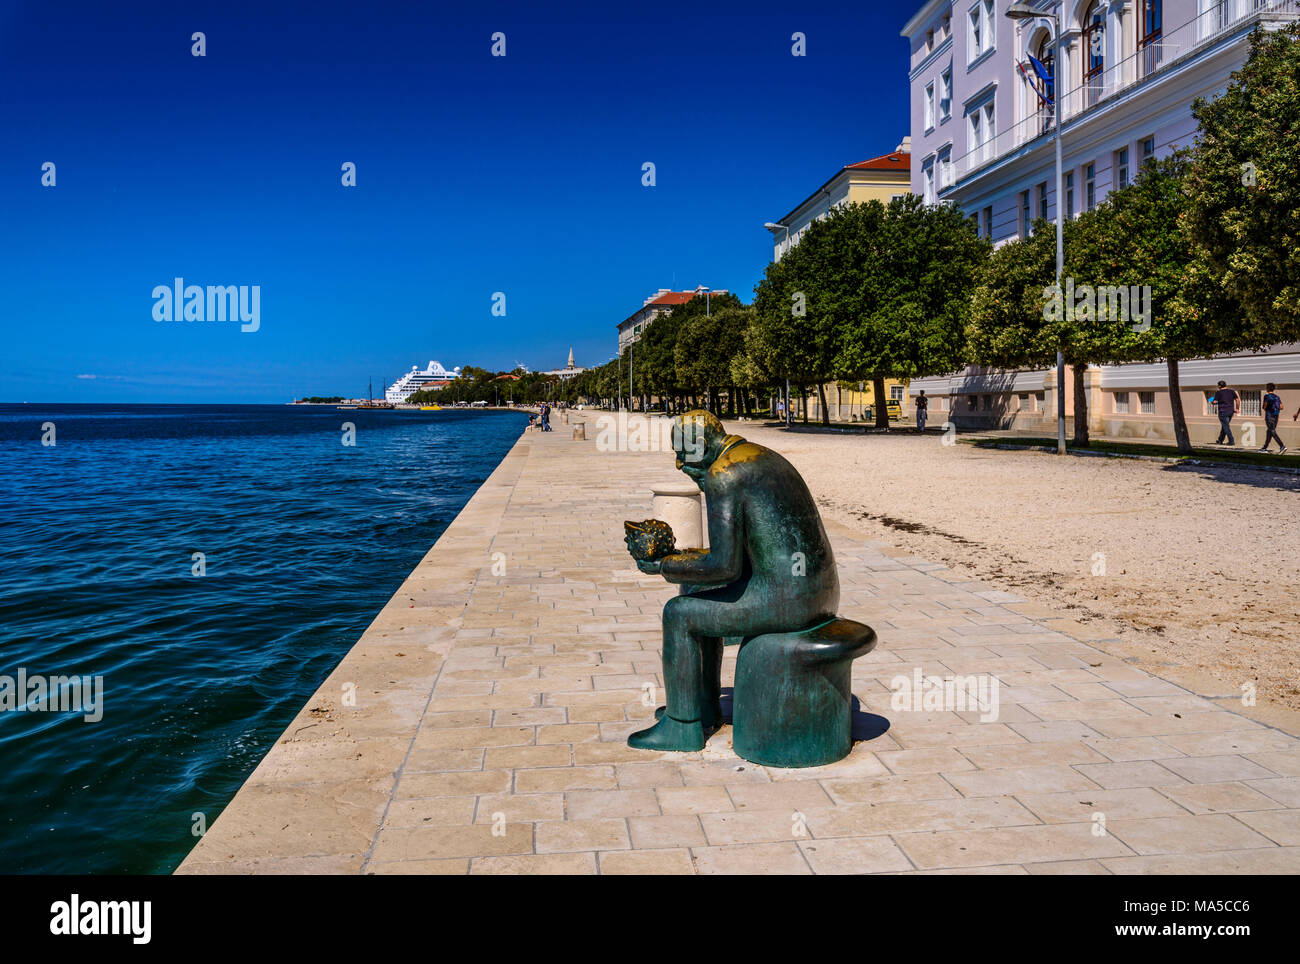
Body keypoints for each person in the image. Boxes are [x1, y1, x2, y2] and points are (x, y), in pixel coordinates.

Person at [624, 411, 839, 751]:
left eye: (682, 454)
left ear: (700, 447)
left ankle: (681, 728)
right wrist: (686, 561)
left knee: (678, 613)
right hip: (819, 592)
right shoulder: (757, 456)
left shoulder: (722, 475)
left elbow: (725, 567)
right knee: (695, 589)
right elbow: (737, 554)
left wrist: (664, 565)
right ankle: (701, 705)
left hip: (789, 600)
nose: (680, 465)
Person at [1261, 383, 1286, 454]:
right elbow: (1281, 407)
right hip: (1276, 416)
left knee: (1272, 431)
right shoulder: (1277, 397)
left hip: (1269, 416)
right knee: (1269, 431)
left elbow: (1264, 406)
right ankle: (1264, 448)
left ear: (1268, 388)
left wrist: (1264, 407)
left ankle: (1282, 446)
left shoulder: (1266, 396)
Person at [1212, 380, 1239, 445]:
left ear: (1219, 386)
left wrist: (1212, 402)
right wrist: (1237, 408)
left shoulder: (1219, 392)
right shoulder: (1232, 391)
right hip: (1230, 411)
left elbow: (1215, 401)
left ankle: (1231, 441)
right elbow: (1237, 400)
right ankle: (1220, 440)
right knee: (1225, 426)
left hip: (1223, 411)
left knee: (1226, 427)